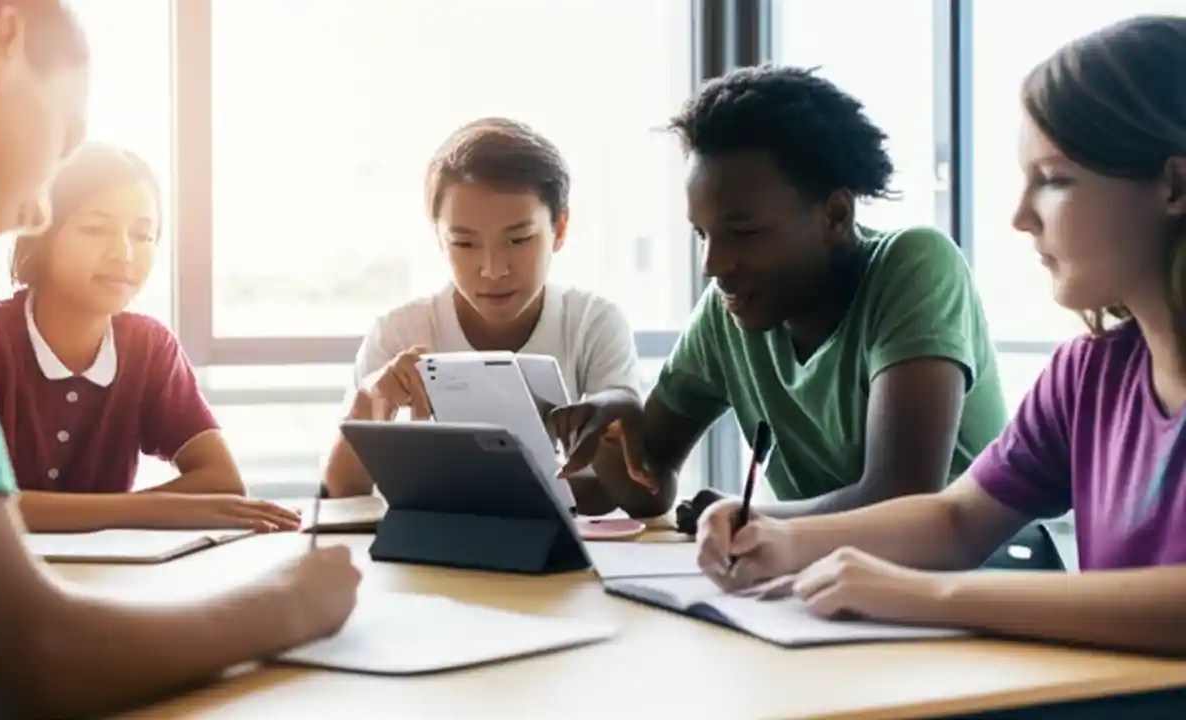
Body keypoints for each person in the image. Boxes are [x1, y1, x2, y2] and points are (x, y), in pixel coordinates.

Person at [0, 2, 358, 716]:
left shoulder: (146, 343)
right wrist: (290, 605)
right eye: (66, 137)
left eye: (144, 233)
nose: (34, 209)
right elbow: (26, 658)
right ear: (1, 38)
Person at [696, 15, 1186, 656]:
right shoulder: (1088, 374)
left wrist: (921, 594)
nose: (1019, 216)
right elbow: (958, 517)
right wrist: (783, 539)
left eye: (1055, 178)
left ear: (1174, 186)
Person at [549, 66, 1006, 519]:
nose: (713, 266)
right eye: (702, 235)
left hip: (981, 581)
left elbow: (903, 502)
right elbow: (647, 489)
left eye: (743, 233)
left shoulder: (914, 265)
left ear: (835, 216)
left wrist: (751, 518)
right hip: (827, 580)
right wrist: (616, 425)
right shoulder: (729, 313)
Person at [324, 117, 640, 512]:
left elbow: (625, 489)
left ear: (560, 228)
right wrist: (367, 404)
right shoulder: (399, 332)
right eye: (464, 243)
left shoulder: (593, 324)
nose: (493, 269)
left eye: (519, 239)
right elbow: (340, 496)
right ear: (439, 239)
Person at [0, 141, 299, 533]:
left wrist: (119, 511)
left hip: (106, 580)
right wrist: (152, 509)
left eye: (143, 235)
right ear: (41, 234)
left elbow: (222, 480)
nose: (124, 253)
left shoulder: (148, 347)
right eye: (95, 229)